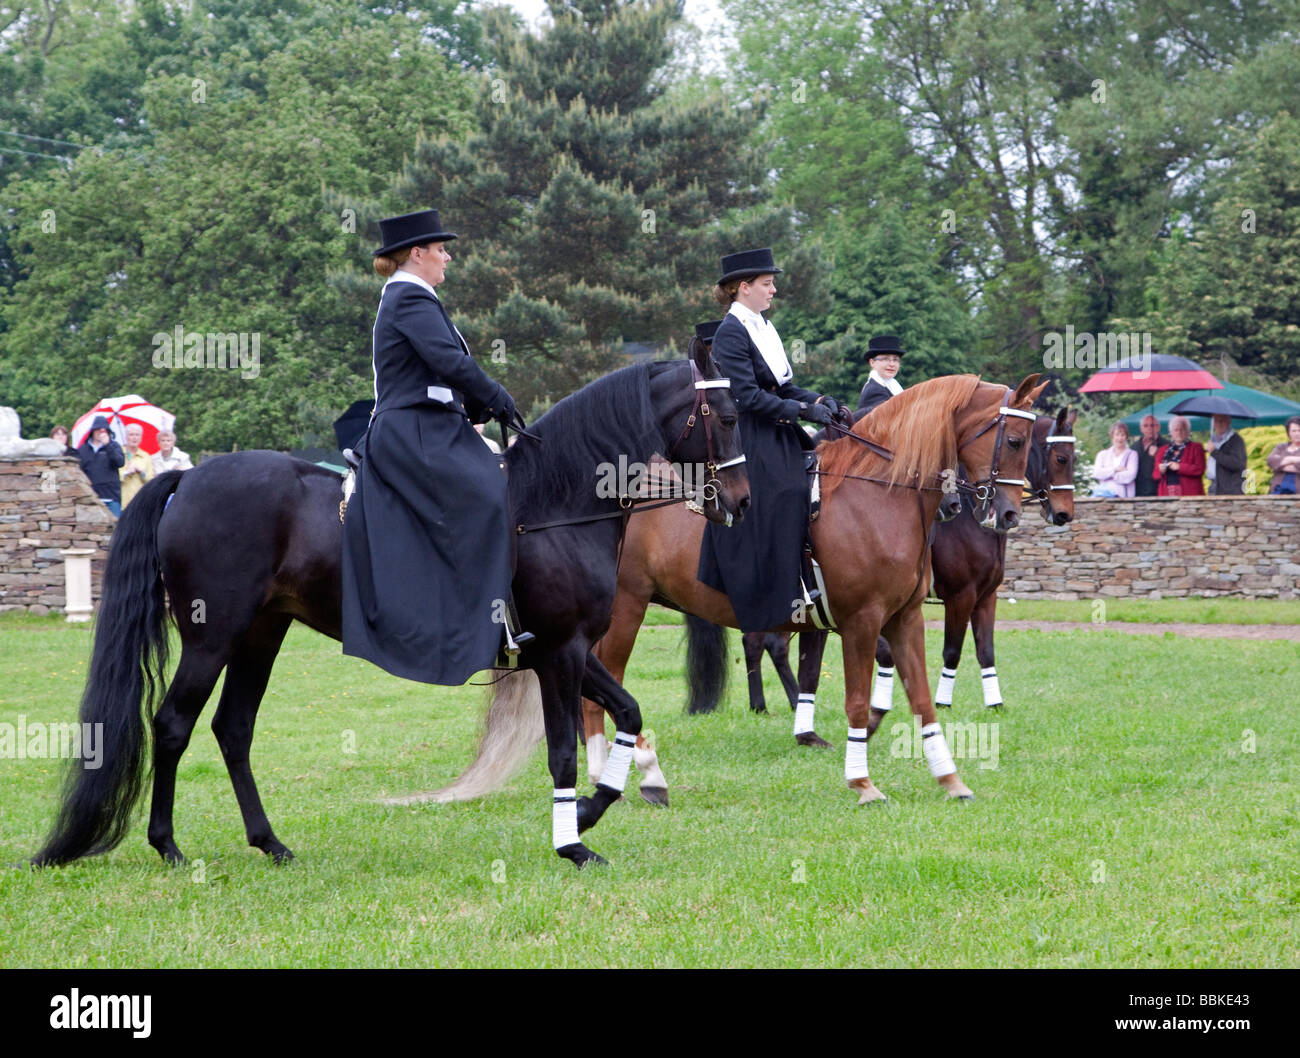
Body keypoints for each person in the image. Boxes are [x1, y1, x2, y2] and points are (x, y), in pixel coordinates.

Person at [341, 208, 519, 685]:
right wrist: (497, 397)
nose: (448, 257)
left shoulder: (414, 297)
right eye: (441, 250)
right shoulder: (408, 298)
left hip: (432, 423)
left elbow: (441, 372)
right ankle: (490, 622)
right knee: (487, 495)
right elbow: (447, 361)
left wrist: (479, 411)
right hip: (413, 430)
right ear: (417, 254)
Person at [697, 247, 850, 633]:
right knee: (785, 491)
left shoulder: (764, 327)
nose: (774, 290)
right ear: (743, 288)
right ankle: (779, 589)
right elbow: (747, 396)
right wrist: (801, 412)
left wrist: (817, 400)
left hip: (778, 427)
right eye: (767, 284)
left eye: (772, 283)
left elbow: (784, 385)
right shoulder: (732, 331)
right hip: (751, 433)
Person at [77, 415, 124, 516]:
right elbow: (79, 472)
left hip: (111, 497)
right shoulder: (83, 449)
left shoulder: (114, 446)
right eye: (98, 429)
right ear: (92, 431)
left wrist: (108, 445)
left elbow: (120, 462)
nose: (101, 433)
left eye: (104, 430)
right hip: (91, 497)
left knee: (114, 529)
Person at [1153, 415, 1206, 496]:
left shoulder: (1196, 447)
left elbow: (1200, 469)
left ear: (1188, 432)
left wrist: (1179, 467)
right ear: (1171, 432)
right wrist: (1161, 470)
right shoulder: (1162, 450)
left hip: (1190, 493)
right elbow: (1155, 475)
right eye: (1176, 430)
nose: (1179, 432)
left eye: (1183, 429)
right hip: (1166, 492)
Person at [857, 335, 905, 412]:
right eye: (885, 359)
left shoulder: (893, 386)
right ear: (872, 362)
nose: (892, 364)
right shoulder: (874, 391)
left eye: (895, 360)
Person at [1091, 421, 1139, 497]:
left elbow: (1130, 476)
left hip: (1124, 498)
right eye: (1117, 435)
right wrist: (1115, 470)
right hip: (1104, 497)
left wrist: (1107, 476)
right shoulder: (1102, 454)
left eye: (1122, 435)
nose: (1119, 438)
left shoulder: (1132, 454)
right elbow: (1097, 473)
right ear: (1112, 436)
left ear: (1126, 437)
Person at [1206, 414, 1247, 495]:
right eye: (1216, 420)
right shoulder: (1213, 439)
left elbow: (1237, 463)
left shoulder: (1236, 440)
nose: (1219, 423)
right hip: (1215, 486)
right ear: (1213, 423)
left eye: (1222, 420)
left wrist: (1215, 452)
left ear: (1229, 422)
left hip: (1230, 490)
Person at [118, 423, 154, 507]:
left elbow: (151, 479)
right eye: (131, 434)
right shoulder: (118, 453)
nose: (134, 438)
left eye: (137, 435)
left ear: (141, 438)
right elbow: (113, 477)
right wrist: (126, 472)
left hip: (140, 503)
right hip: (121, 502)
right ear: (126, 437)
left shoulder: (145, 456)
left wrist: (141, 471)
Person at [1266, 415, 1300, 494]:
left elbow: (1275, 464)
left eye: (1299, 430)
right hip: (1278, 489)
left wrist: (1280, 465)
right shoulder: (1281, 447)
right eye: (1294, 431)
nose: (1297, 434)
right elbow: (1270, 461)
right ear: (1288, 433)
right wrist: (1293, 459)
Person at [1133, 414, 1165, 497]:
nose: (1149, 428)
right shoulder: (1134, 446)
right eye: (1145, 425)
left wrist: (1155, 456)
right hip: (1137, 492)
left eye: (1152, 425)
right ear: (1141, 428)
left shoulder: (1166, 445)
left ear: (1158, 427)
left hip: (1158, 491)